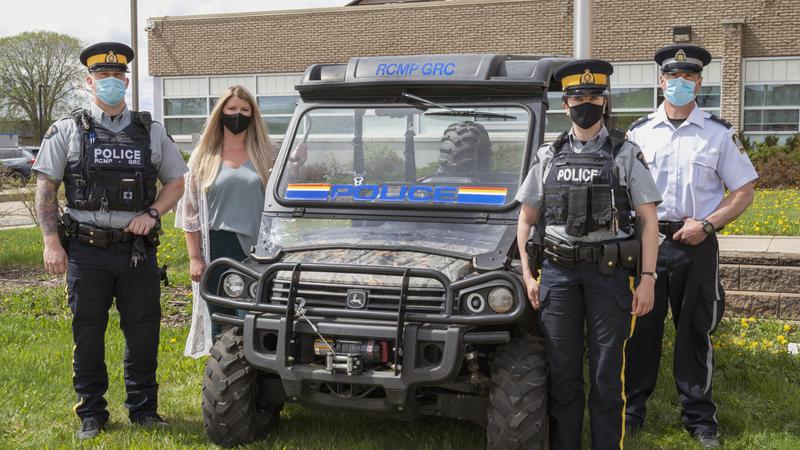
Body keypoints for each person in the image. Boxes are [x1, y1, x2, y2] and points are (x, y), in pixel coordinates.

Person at [32, 42, 187, 439]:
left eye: (118, 76)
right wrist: (51, 242)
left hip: (137, 252)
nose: (111, 82)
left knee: (144, 332)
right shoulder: (67, 130)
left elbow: (176, 182)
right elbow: (46, 187)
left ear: (127, 82)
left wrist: (153, 213)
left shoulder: (150, 131)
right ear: (89, 81)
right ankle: (92, 413)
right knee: (87, 333)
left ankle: (144, 409)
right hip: (86, 251)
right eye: (103, 76)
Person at [516, 59, 662, 450]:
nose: (586, 104)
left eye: (594, 97)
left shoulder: (625, 153)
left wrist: (648, 279)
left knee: (606, 377)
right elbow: (526, 219)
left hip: (608, 276)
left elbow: (649, 221)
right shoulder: (548, 156)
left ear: (604, 102)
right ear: (565, 105)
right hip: (558, 277)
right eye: (578, 98)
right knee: (563, 376)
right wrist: (529, 275)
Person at [624, 45, 758, 448]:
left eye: (688, 77)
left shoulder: (718, 134)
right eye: (672, 77)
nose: (679, 83)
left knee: (694, 332)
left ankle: (700, 419)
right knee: (640, 330)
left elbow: (744, 191)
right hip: (647, 244)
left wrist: (708, 224)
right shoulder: (639, 133)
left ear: (699, 83)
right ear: (661, 81)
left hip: (695, 244)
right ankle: (631, 412)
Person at [176, 85, 274, 358]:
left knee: (251, 316)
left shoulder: (267, 153)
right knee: (221, 317)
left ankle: (255, 370)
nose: (237, 115)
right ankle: (222, 370)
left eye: (244, 109)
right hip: (217, 247)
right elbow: (190, 212)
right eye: (231, 109)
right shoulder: (203, 156)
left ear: (253, 115)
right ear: (220, 112)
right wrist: (195, 258)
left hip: (256, 251)